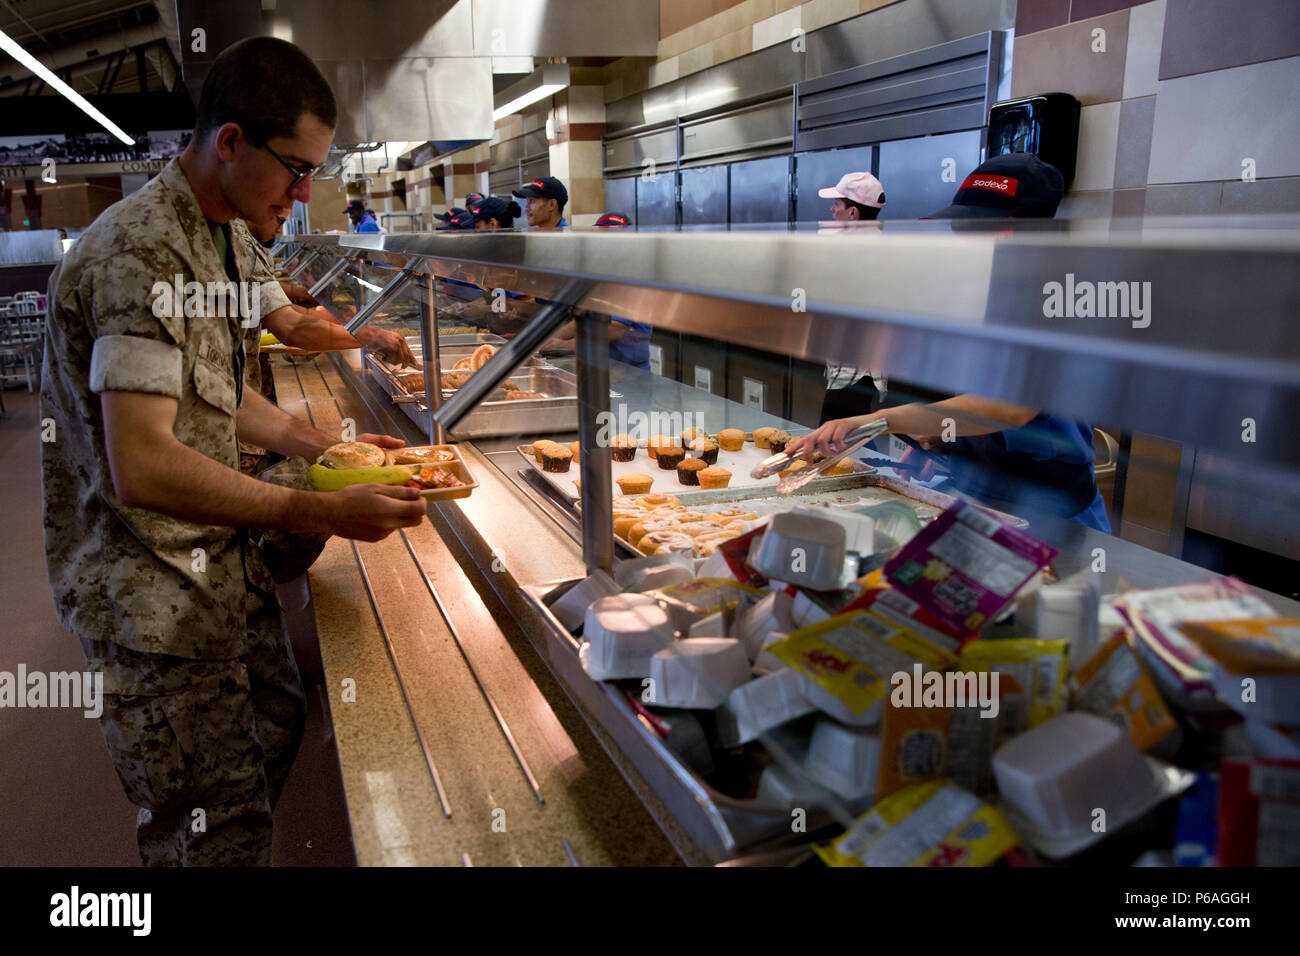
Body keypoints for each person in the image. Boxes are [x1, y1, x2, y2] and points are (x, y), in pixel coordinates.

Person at [40, 36, 427, 867]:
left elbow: (210, 391)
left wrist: (330, 445)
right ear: (231, 142)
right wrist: (319, 506)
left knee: (278, 721)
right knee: (213, 834)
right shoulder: (140, 252)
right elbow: (141, 462)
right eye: (297, 169)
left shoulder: (222, 232)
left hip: (212, 561)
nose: (305, 191)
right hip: (148, 592)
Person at [788, 154, 1110, 533]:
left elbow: (1006, 408)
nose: (959, 235)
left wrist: (878, 421)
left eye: (970, 225)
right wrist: (949, 442)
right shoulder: (990, 289)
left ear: (1015, 226)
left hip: (1047, 510)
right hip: (975, 494)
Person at [814, 172, 890, 424]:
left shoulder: (858, 255)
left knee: (836, 437)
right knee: (847, 435)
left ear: (853, 213)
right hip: (856, 367)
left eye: (837, 204)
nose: (832, 209)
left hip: (854, 369)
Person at [539, 212, 651, 370]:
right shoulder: (603, 275)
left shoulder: (630, 277)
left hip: (629, 370)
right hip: (604, 367)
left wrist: (567, 345)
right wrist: (548, 338)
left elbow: (613, 329)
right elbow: (584, 316)